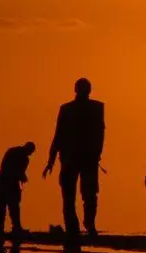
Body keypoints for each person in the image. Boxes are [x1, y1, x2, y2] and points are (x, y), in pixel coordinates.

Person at [44, 78, 105, 242]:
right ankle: (77, 226)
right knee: (75, 195)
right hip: (73, 159)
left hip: (84, 158)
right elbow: (58, 134)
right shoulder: (71, 109)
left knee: (87, 195)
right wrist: (51, 160)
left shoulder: (95, 108)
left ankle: (85, 225)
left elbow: (100, 134)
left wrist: (97, 153)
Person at [0, 142, 35, 253]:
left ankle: (14, 227)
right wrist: (18, 177)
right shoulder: (13, 152)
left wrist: (21, 180)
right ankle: (1, 228)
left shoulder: (24, 158)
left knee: (11, 206)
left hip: (11, 182)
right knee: (4, 205)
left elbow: (20, 173)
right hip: (4, 180)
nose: (29, 154)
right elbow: (6, 168)